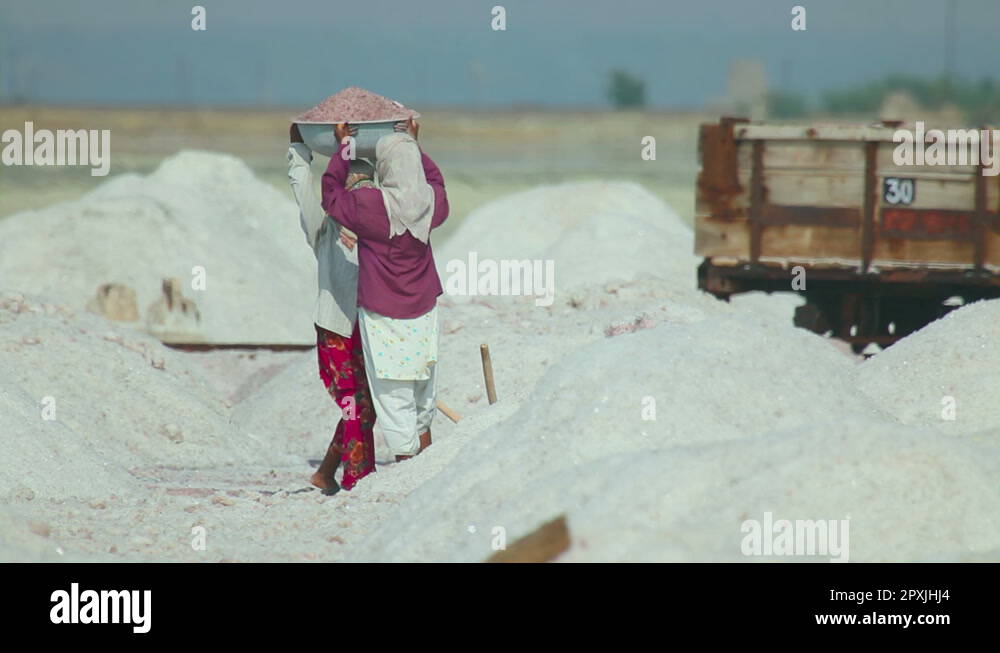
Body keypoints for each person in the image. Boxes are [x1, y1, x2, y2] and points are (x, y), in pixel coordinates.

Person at [322, 119, 448, 461]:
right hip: (423, 310)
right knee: (422, 384)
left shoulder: (369, 204)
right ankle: (426, 462)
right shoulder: (431, 202)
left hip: (382, 315)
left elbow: (331, 194)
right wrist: (414, 145)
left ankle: (408, 465)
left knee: (392, 392)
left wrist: (345, 147)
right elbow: (436, 181)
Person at [287, 123, 376, 493]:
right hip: (335, 328)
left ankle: (326, 472)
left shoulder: (377, 230)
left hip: (368, 328)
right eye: (356, 190)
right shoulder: (323, 227)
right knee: (353, 404)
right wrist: (299, 148)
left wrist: (408, 143)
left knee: (365, 407)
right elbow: (303, 184)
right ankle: (358, 479)